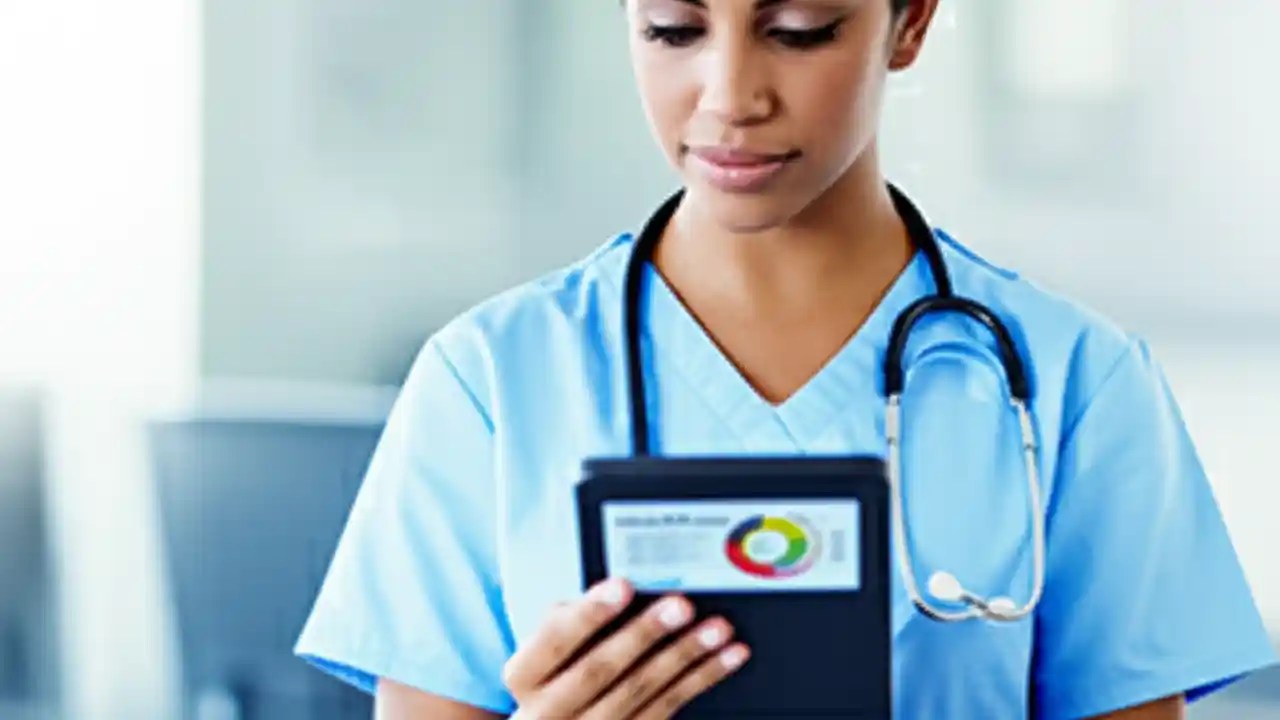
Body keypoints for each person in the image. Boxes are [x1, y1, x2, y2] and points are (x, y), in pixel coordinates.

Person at [294, 0, 1277, 717]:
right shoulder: (489, 378)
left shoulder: (1073, 381)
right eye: (672, 30)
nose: (729, 97)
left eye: (799, 29)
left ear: (908, 25)